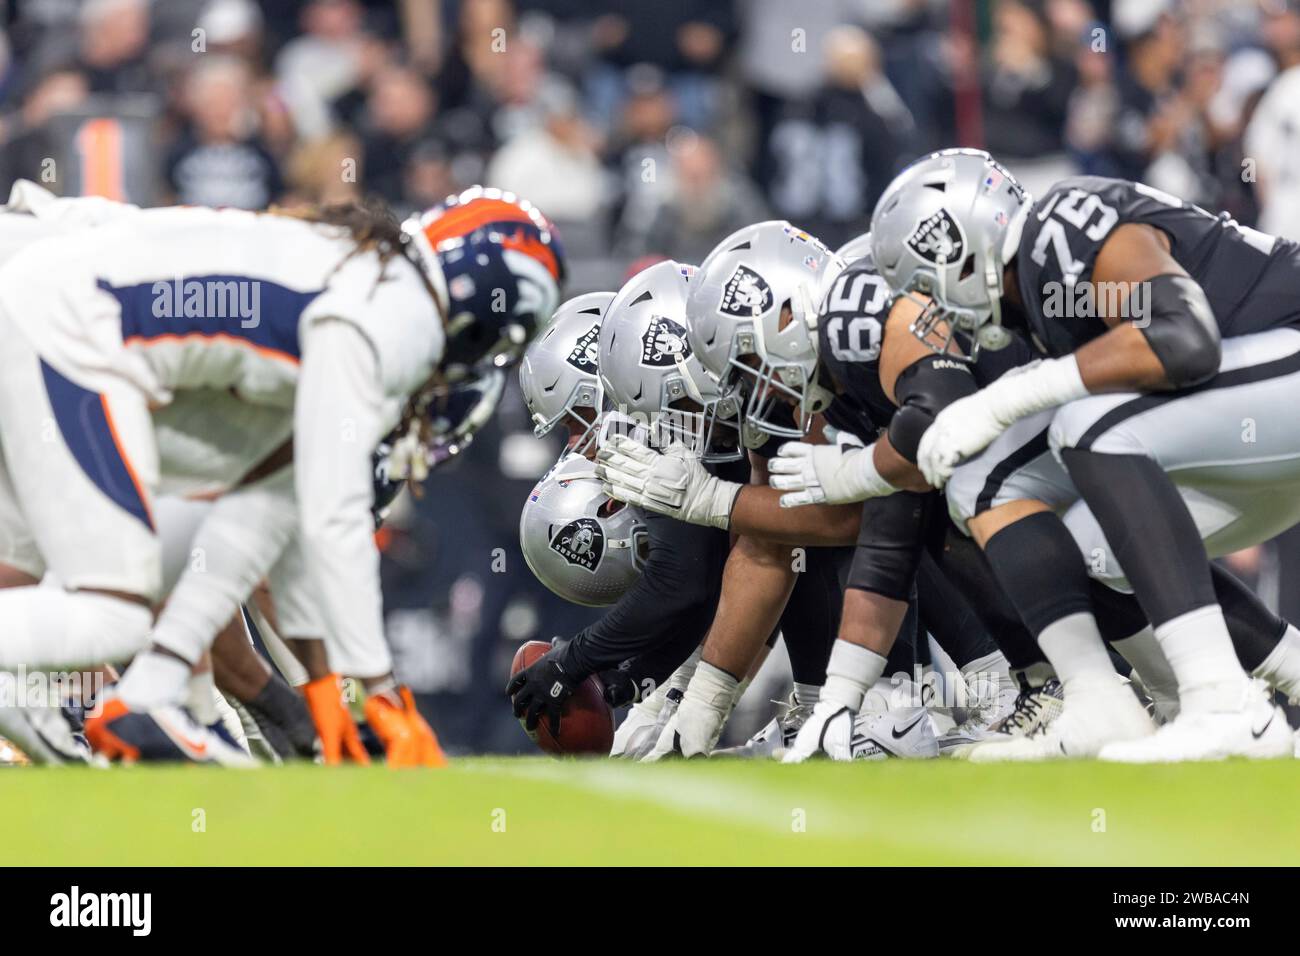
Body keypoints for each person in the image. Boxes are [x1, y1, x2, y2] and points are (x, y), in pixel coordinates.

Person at [0, 185, 563, 766]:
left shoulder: (365, 280)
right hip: (68, 321)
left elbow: (256, 519)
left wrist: (320, 688)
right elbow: (328, 522)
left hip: (64, 309)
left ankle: (124, 704)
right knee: (108, 609)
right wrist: (378, 693)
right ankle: (129, 706)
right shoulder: (391, 318)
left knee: (131, 563)